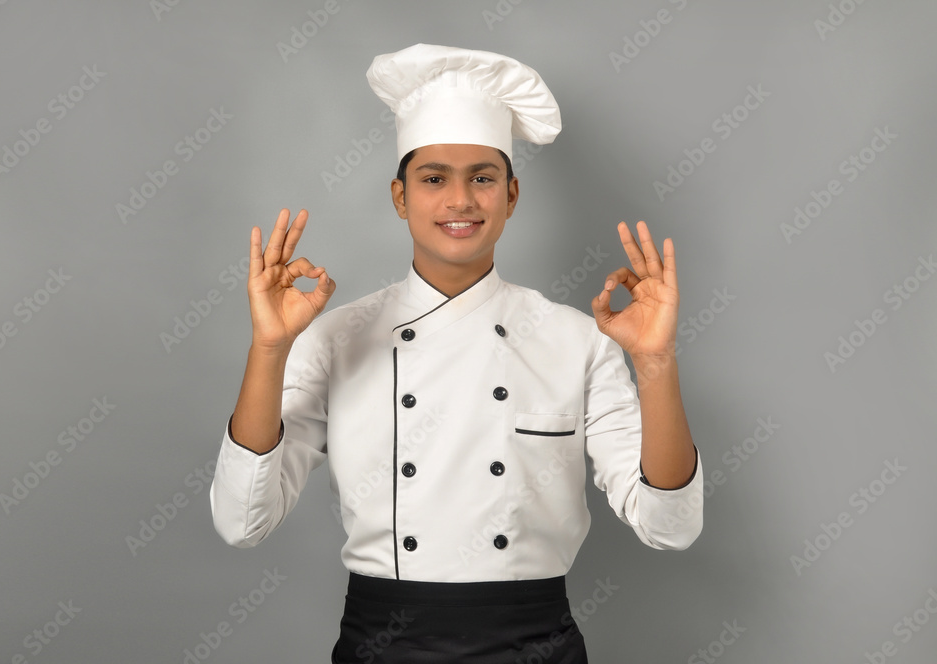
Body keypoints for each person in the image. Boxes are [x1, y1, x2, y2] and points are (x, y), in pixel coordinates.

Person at [209, 43, 703, 663]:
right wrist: (269, 348)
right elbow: (240, 520)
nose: (460, 201)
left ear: (512, 195)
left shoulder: (577, 340)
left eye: (483, 178)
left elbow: (671, 527)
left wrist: (655, 365)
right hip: (383, 645)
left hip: (535, 645)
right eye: (434, 178)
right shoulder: (335, 337)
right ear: (399, 196)